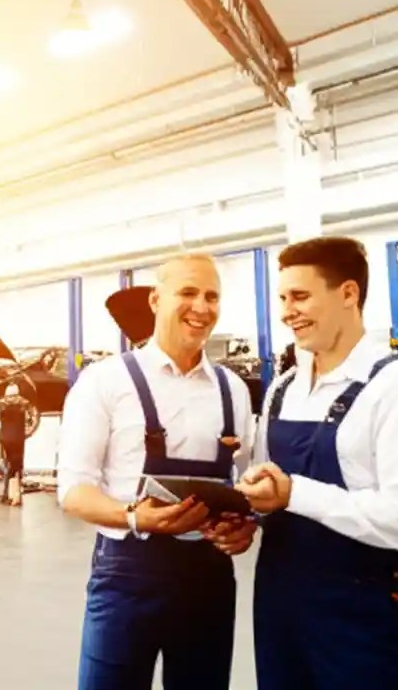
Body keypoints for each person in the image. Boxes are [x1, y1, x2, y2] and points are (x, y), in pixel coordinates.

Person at [235, 236, 398, 690]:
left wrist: (296, 493)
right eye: (282, 298)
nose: (286, 311)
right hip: (279, 603)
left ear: (349, 294)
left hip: (360, 610)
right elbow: (267, 485)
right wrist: (245, 516)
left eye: (300, 296)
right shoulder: (283, 388)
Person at [57, 253, 258, 690]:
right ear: (155, 300)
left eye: (212, 296)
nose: (201, 307)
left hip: (210, 576)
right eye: (187, 293)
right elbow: (73, 490)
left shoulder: (234, 391)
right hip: (128, 573)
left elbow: (248, 482)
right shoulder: (105, 381)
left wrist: (247, 523)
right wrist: (134, 516)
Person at [0, 382, 28, 506]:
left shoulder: (2, 407)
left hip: (5, 439)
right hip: (17, 440)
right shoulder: (22, 406)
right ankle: (14, 494)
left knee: (10, 466)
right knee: (16, 467)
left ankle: (8, 494)